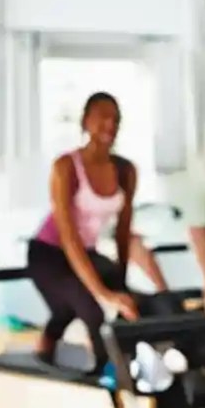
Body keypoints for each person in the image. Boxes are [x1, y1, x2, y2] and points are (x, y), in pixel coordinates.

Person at [27, 91, 167, 374]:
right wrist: (104, 292)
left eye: (116, 119)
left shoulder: (125, 170)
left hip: (86, 252)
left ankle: (46, 348)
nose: (110, 125)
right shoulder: (65, 167)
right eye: (102, 117)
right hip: (49, 254)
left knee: (119, 302)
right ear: (85, 121)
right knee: (92, 310)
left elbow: (124, 230)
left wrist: (120, 281)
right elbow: (69, 237)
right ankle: (110, 379)